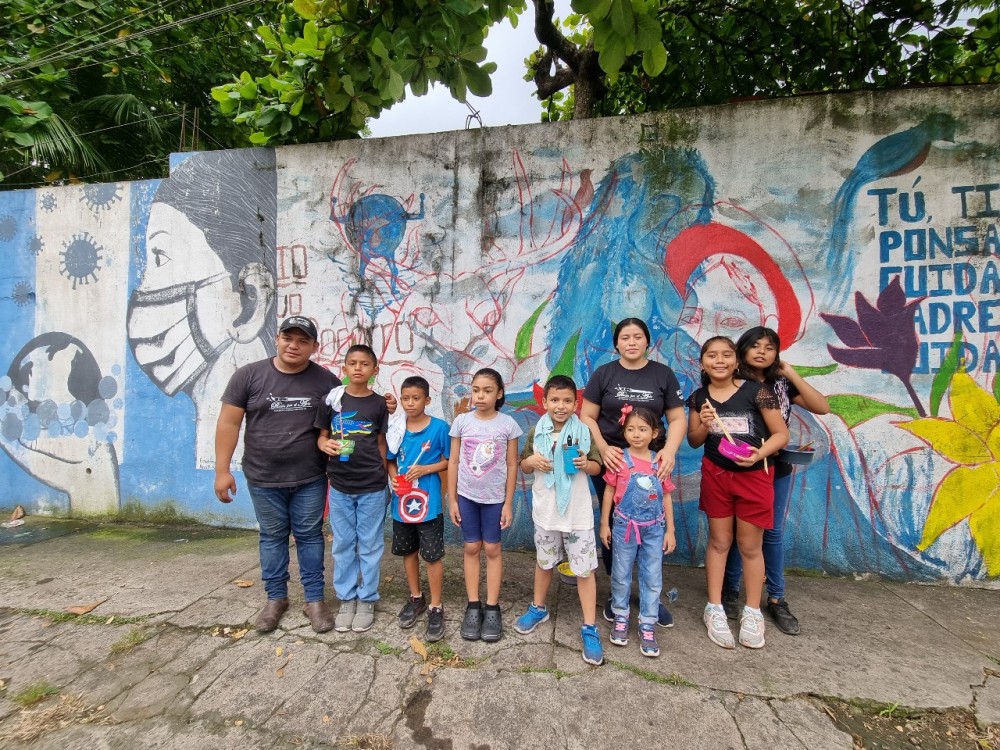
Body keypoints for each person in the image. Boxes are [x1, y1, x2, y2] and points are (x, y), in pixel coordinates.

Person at [214, 316, 337, 634]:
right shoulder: (249, 376)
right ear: (277, 339)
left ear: (314, 347)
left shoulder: (326, 382)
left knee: (310, 536)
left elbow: (351, 413)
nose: (293, 345)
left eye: (302, 341)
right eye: (287, 338)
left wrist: (386, 405)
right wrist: (222, 470)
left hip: (310, 476)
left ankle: (314, 600)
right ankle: (276, 598)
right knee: (272, 537)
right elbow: (229, 423)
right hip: (263, 477)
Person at [721, 327, 830, 634]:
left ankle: (777, 598)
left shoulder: (781, 384)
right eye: (754, 346)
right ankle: (730, 590)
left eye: (769, 348)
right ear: (742, 350)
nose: (761, 352)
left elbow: (822, 407)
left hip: (774, 467)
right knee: (732, 532)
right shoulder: (731, 381)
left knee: (771, 532)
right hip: (739, 467)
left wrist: (791, 374)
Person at [580, 318, 686, 626]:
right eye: (625, 337)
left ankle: (648, 599)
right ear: (616, 344)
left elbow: (677, 419)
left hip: (651, 463)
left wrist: (668, 452)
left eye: (637, 336)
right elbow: (587, 415)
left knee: (651, 530)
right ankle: (618, 598)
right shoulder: (605, 374)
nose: (631, 342)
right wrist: (603, 447)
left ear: (647, 341)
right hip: (613, 462)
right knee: (616, 528)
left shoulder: (662, 375)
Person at [687, 336, 789, 649]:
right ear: (702, 362)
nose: (719, 360)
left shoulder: (758, 391)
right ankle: (714, 608)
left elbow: (781, 434)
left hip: (755, 476)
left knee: (750, 546)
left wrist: (759, 455)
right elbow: (693, 440)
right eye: (712, 355)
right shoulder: (699, 397)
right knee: (719, 542)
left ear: (735, 360)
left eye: (726, 355)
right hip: (716, 476)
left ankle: (753, 611)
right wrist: (703, 425)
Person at [514, 375, 605, 666]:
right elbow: (524, 465)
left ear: (576, 404)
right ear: (544, 403)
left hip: (577, 515)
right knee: (544, 563)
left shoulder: (583, 432)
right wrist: (532, 462)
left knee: (584, 570)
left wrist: (584, 463)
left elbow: (596, 466)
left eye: (567, 401)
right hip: (546, 513)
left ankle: (589, 627)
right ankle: (538, 608)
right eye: (555, 400)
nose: (561, 406)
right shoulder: (535, 432)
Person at [316, 344, 390, 634]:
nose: (358, 368)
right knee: (343, 544)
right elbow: (321, 437)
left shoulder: (380, 405)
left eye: (364, 364)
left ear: (375, 370)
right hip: (340, 485)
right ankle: (346, 598)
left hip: (372, 485)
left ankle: (367, 598)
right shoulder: (332, 401)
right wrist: (326, 445)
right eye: (352, 363)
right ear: (344, 369)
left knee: (370, 544)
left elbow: (383, 443)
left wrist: (386, 478)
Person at [447, 368, 522, 642]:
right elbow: (453, 461)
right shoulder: (462, 422)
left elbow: (513, 465)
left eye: (487, 390)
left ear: (499, 393)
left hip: (495, 499)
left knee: (491, 548)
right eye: (476, 390)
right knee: (471, 547)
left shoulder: (508, 425)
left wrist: (508, 503)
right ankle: (473, 605)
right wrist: (452, 499)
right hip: (466, 496)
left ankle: (492, 606)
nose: (480, 395)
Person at [599, 407, 676, 658]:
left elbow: (666, 496)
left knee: (652, 576)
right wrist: (604, 524)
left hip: (655, 529)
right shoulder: (619, 460)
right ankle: (621, 616)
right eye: (630, 429)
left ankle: (647, 623)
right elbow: (609, 492)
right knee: (621, 574)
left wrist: (670, 531)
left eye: (642, 429)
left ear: (654, 433)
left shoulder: (659, 462)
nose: (636, 434)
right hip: (624, 527)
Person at [387, 376, 451, 642]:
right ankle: (416, 597)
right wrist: (392, 476)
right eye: (405, 398)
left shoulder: (439, 428)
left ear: (427, 400)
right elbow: (389, 459)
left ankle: (437, 605)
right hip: (402, 503)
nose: (410, 403)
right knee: (408, 551)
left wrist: (426, 468)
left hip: (429, 503)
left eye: (416, 398)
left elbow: (449, 461)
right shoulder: (396, 427)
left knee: (432, 555)